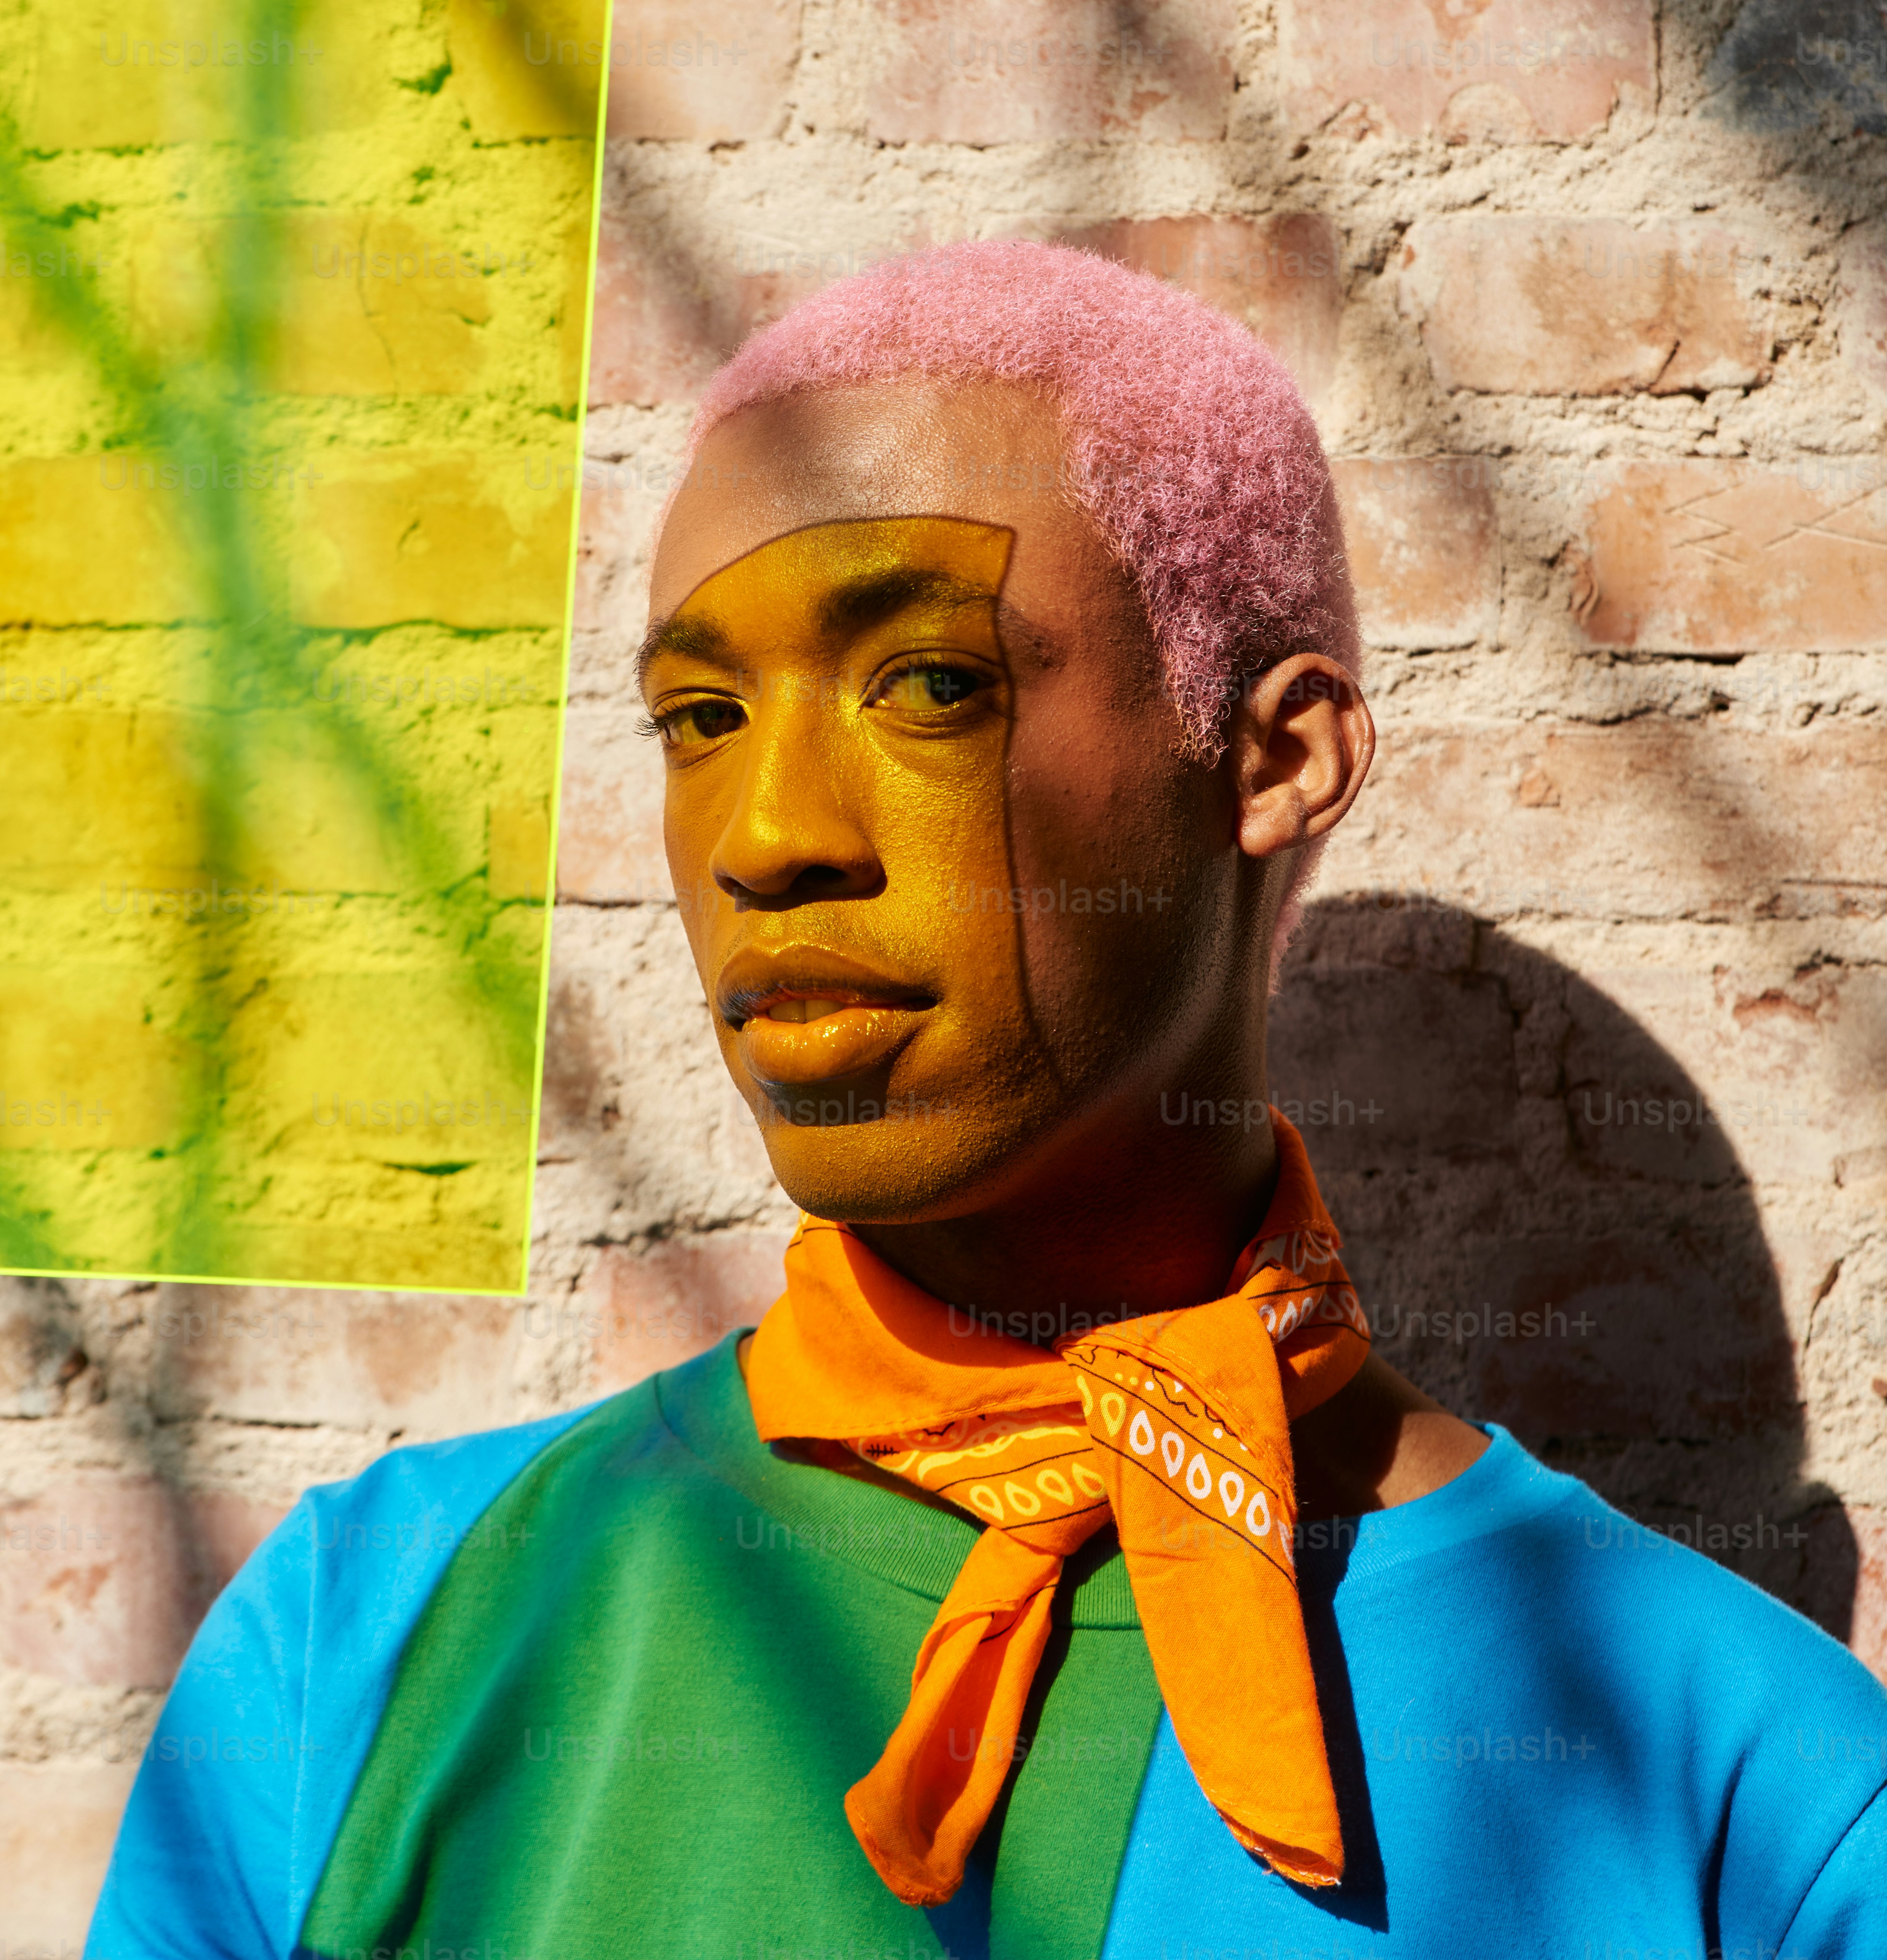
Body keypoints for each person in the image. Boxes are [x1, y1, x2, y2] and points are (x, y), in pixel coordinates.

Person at [90, 242, 1887, 1959]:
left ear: (1274, 756)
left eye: (929, 686)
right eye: (701, 718)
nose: (773, 835)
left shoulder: (1742, 1786)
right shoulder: (359, 1644)